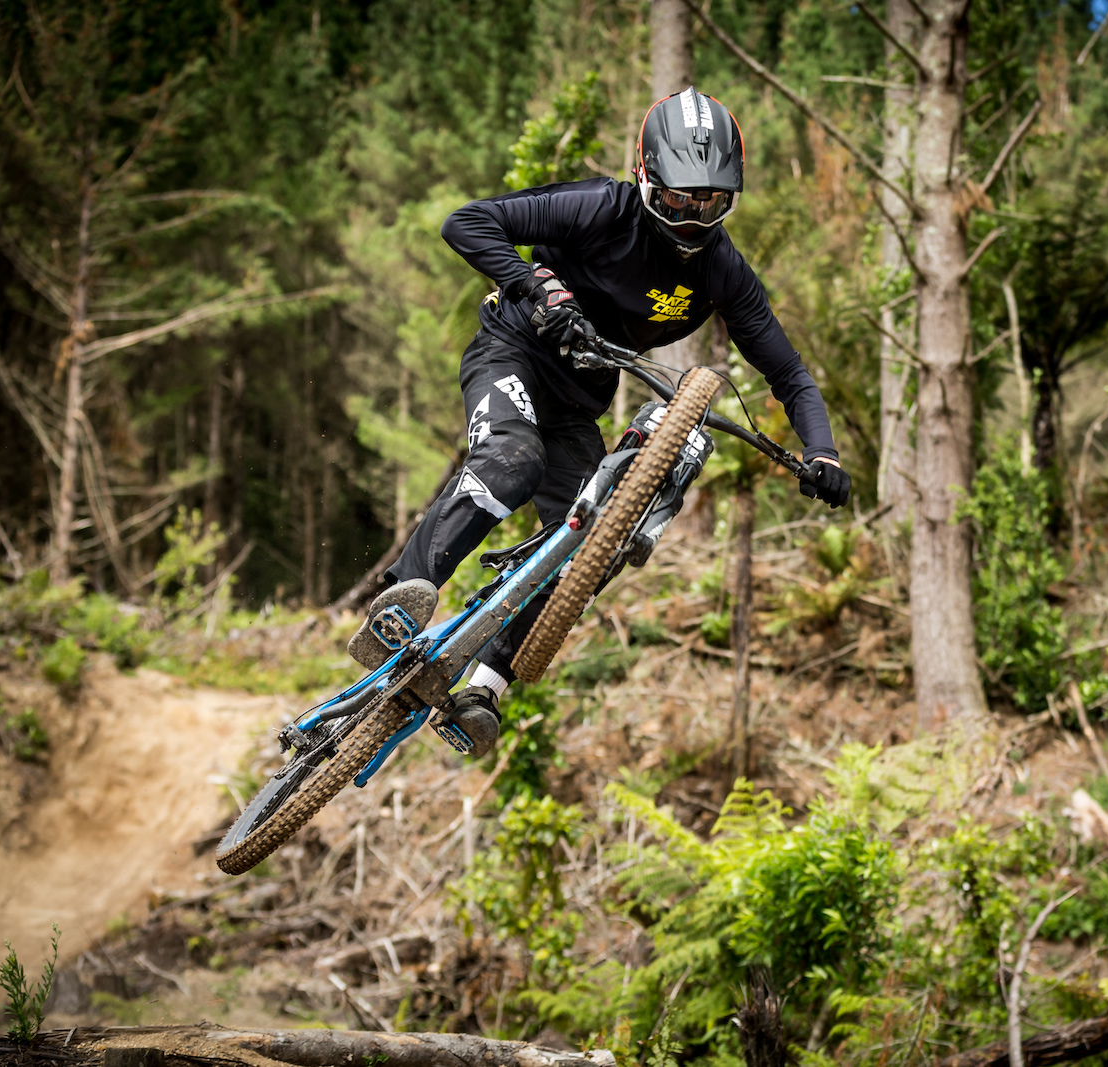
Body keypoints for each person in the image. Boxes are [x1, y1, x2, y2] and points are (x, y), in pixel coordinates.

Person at [347, 87, 851, 756]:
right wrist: (536, 284)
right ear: (646, 176)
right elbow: (466, 223)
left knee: (589, 546)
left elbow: (788, 373)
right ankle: (399, 601)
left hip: (577, 404)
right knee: (510, 462)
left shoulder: (722, 270)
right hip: (512, 354)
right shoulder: (598, 207)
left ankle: (485, 686)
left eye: (711, 202)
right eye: (678, 199)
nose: (694, 218)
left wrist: (822, 451)